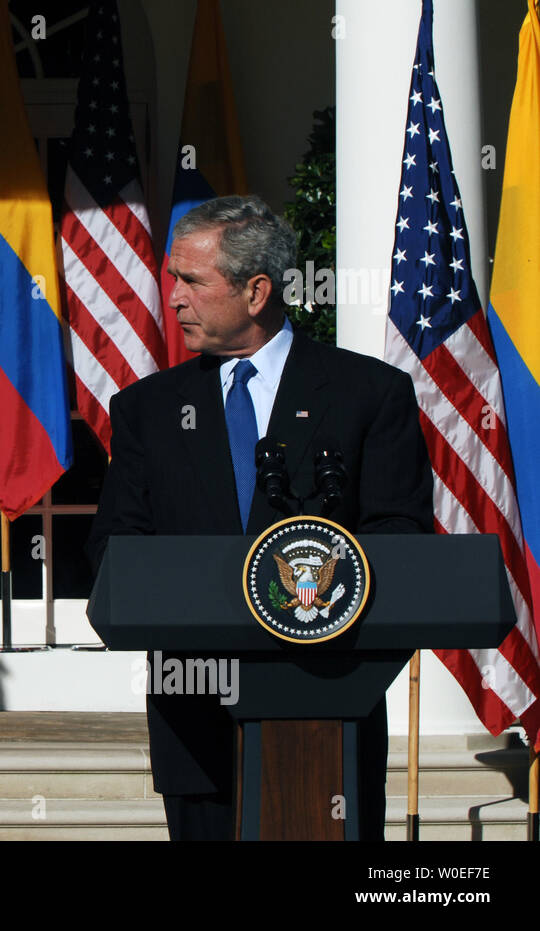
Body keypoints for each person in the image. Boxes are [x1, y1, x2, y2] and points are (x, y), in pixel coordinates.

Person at [86, 195, 434, 840]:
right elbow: (115, 551)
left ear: (256, 291)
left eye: (191, 281)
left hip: (330, 705)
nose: (175, 299)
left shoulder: (369, 394)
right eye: (173, 281)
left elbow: (400, 537)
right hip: (195, 711)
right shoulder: (147, 409)